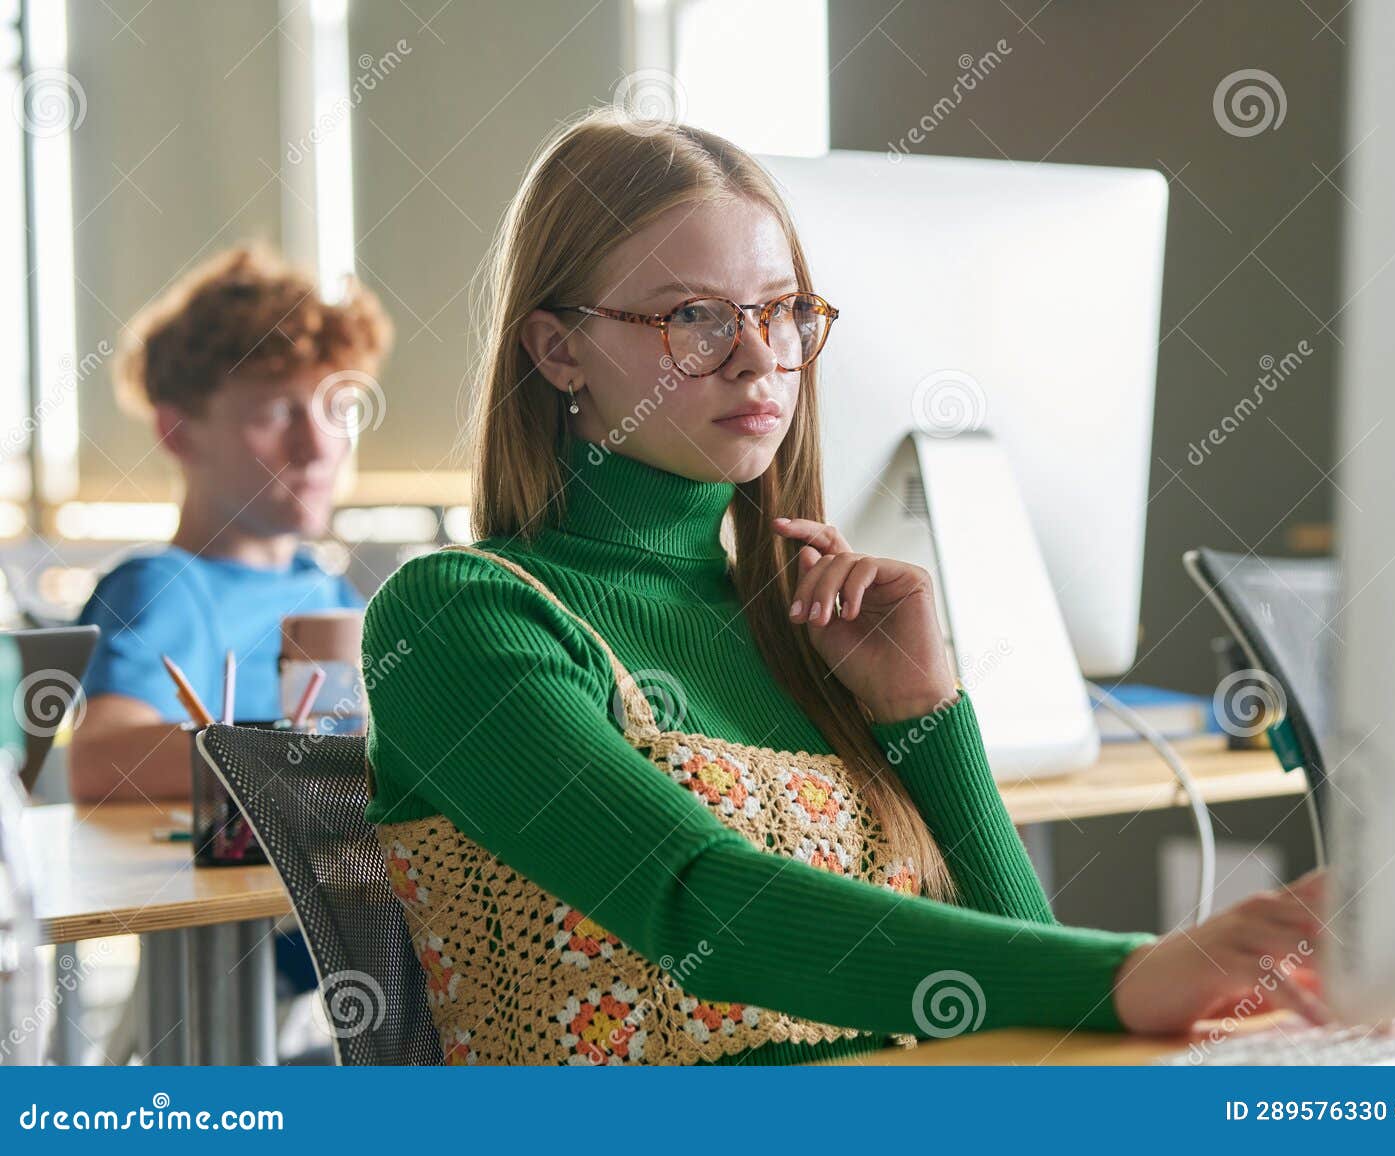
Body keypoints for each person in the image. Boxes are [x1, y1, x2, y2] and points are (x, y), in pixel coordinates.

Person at [361, 108, 1326, 1066]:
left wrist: (924, 712)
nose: (758, 357)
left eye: (781, 310)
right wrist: (1123, 976)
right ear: (558, 349)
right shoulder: (463, 616)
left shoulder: (800, 626)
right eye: (693, 316)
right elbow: (704, 905)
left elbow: (1029, 991)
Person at [69, 244, 391, 805]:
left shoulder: (329, 592)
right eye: (274, 413)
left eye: (335, 412)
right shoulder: (162, 588)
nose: (317, 447)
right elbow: (100, 760)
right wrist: (312, 760)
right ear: (179, 433)